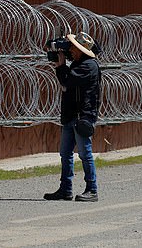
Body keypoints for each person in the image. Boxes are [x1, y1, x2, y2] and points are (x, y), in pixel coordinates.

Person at [44, 31, 101, 202]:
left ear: (82, 51)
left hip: (82, 116)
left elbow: (67, 81)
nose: (71, 51)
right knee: (65, 153)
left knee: (84, 153)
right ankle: (65, 189)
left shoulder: (88, 66)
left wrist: (61, 66)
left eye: (74, 48)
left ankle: (92, 189)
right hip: (71, 115)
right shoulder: (78, 64)